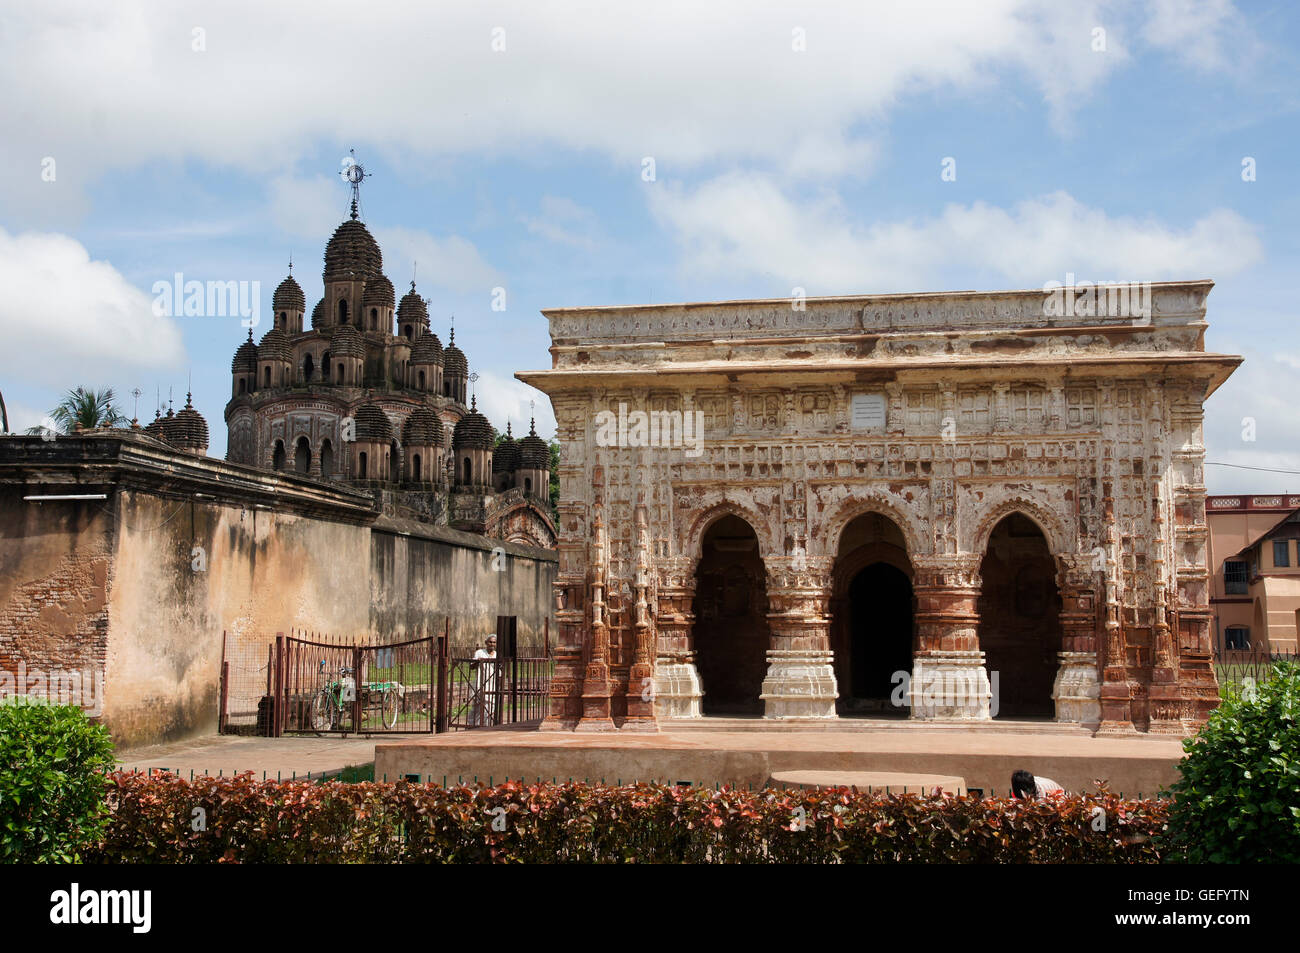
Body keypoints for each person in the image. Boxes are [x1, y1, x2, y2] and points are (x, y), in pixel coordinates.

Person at [471, 635, 499, 726]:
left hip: (492, 683)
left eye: (494, 642)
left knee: (490, 706)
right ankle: (473, 725)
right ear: (486, 643)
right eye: (490, 642)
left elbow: (500, 670)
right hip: (480, 682)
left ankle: (487, 726)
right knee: (477, 706)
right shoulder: (479, 652)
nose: (492, 644)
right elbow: (471, 666)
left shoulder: (497, 655)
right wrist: (478, 661)